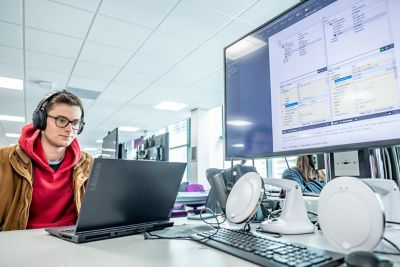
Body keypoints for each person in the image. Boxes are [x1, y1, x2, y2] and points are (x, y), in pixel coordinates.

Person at [0, 90, 93, 231]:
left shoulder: (87, 164)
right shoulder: (5, 160)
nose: (69, 129)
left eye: (75, 123)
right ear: (41, 120)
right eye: (61, 120)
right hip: (22, 239)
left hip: (71, 239)